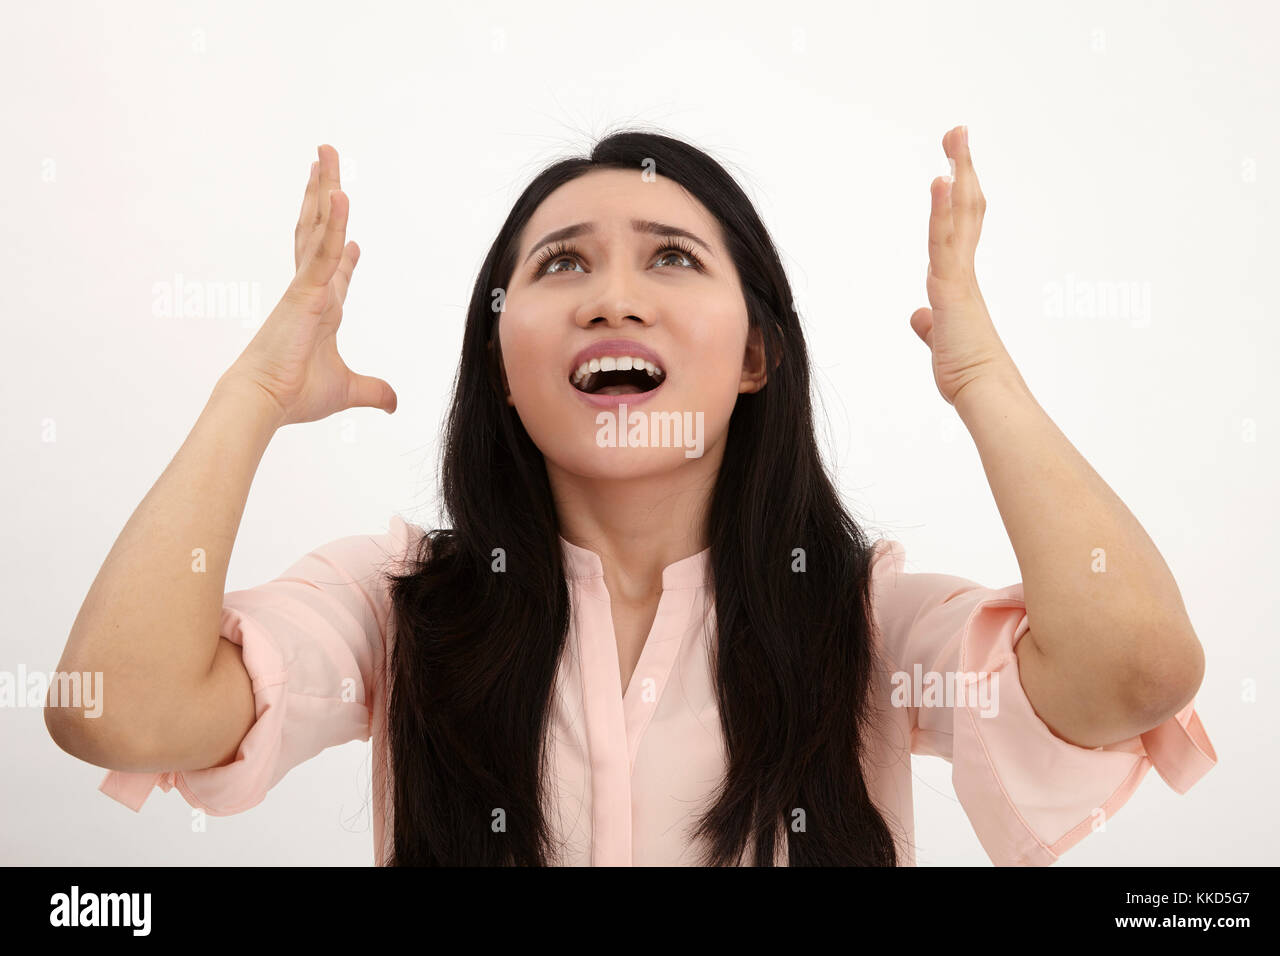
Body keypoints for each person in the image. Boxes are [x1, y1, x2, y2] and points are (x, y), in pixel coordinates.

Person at [47, 127, 1217, 866]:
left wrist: (980, 379)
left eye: (670, 256)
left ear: (755, 354)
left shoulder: (864, 617)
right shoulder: (394, 603)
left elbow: (1133, 671)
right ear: (503, 364)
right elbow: (119, 711)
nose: (612, 297)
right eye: (560, 263)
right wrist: (252, 390)